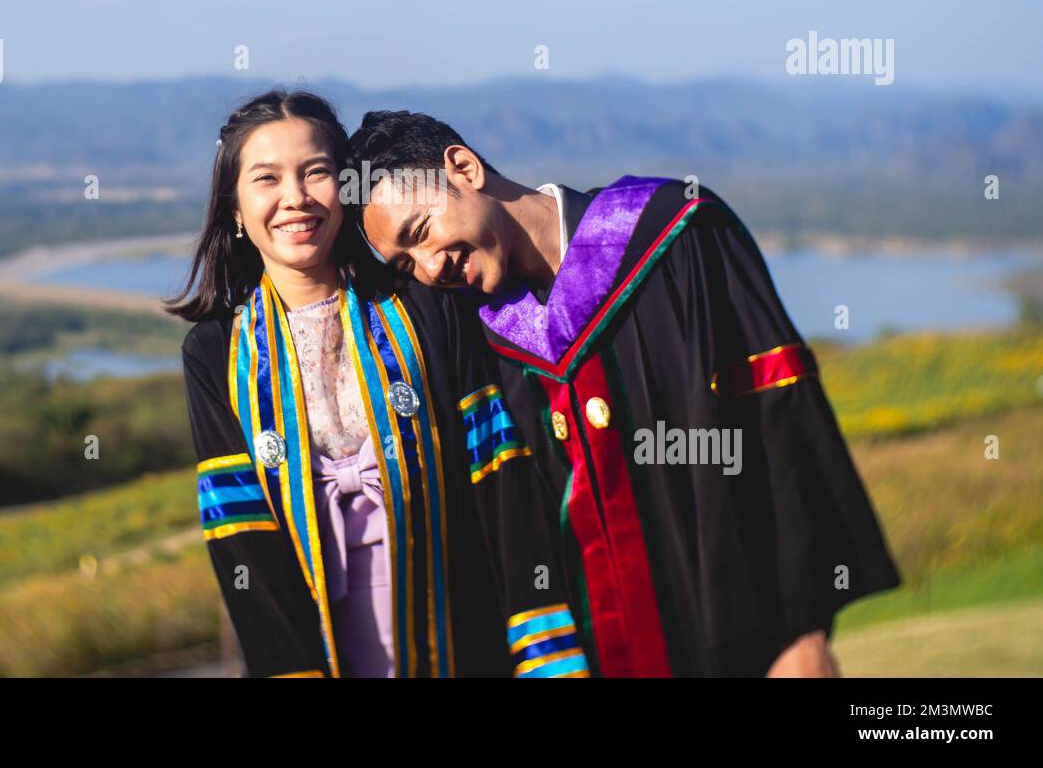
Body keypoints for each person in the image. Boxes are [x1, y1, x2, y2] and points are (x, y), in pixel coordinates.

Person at [347, 109, 903, 678]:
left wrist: (801, 631)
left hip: (735, 641)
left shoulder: (674, 238)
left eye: (421, 234)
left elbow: (777, 422)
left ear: (463, 168)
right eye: (405, 263)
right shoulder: (478, 336)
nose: (429, 267)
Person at [167, 89, 588, 678]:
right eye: (267, 179)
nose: (295, 198)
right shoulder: (216, 355)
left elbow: (501, 479)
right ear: (234, 207)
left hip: (468, 646)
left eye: (317, 173)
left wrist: (546, 654)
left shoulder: (426, 306)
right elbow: (242, 541)